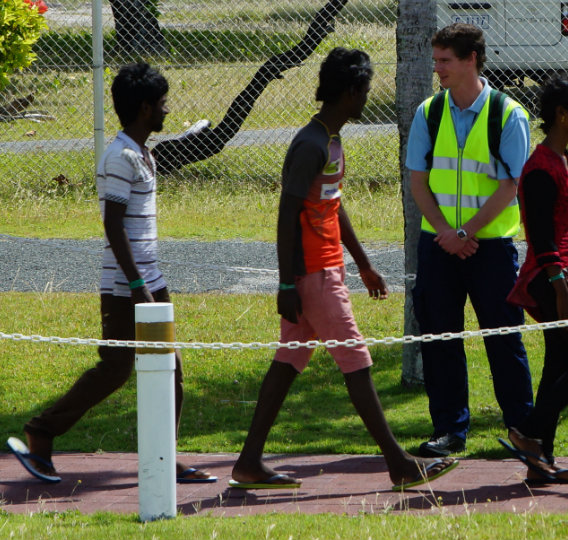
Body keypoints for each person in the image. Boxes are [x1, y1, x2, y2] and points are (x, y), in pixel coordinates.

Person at [229, 48, 458, 491]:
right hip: (313, 277)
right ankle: (400, 464)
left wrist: (365, 264)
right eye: (365, 91)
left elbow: (331, 203)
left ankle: (248, 463)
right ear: (351, 92)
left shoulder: (331, 140)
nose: (367, 99)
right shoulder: (310, 144)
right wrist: (285, 283)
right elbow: (285, 215)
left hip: (325, 271)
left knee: (288, 361)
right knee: (357, 362)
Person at [6, 63, 215, 484]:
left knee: (167, 369)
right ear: (143, 109)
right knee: (116, 370)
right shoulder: (120, 157)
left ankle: (162, 456)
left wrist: (148, 283)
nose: (167, 111)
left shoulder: (141, 152)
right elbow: (113, 225)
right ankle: (42, 430)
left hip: (149, 281)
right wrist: (137, 287)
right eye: (161, 104)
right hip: (128, 288)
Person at [405, 23, 534, 457]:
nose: (437, 68)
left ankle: (522, 429)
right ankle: (449, 430)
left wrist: (467, 233)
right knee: (440, 338)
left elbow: (510, 186)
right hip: (438, 246)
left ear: (471, 60)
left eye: (445, 61)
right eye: (436, 60)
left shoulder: (508, 113)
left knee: (504, 339)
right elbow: (418, 181)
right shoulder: (429, 112)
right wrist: (446, 233)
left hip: (490, 248)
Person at [499, 77, 568, 484]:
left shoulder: (562, 160)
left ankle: (540, 457)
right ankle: (529, 430)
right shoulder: (540, 167)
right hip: (551, 278)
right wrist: (562, 289)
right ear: (561, 115)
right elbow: (542, 236)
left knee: (560, 363)